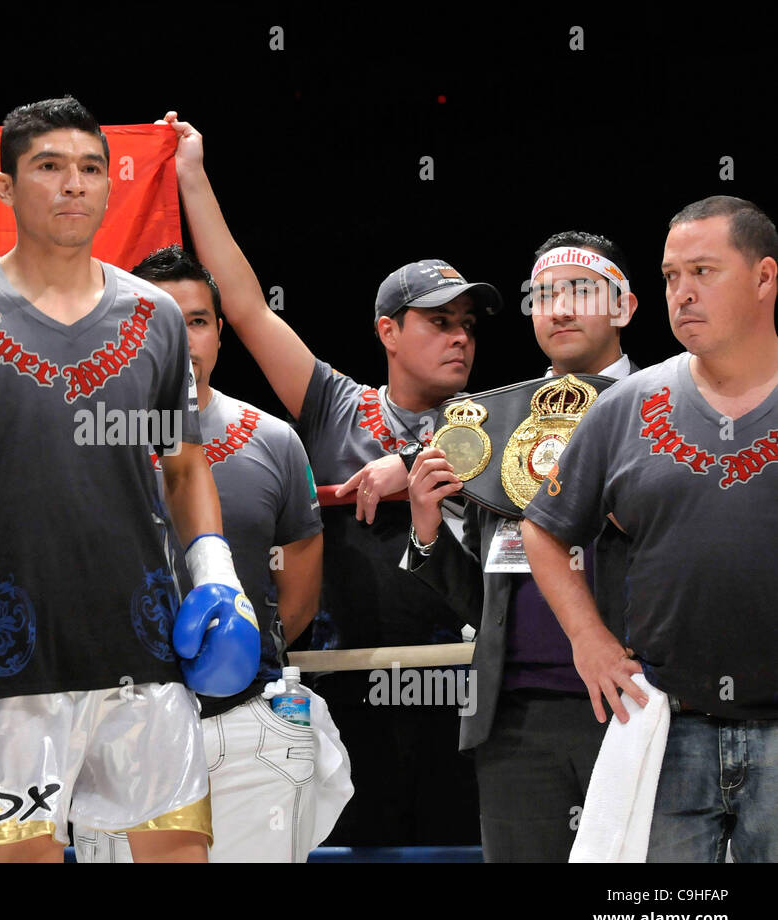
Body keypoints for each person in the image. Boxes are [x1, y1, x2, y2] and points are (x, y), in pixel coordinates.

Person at [0, 96, 261, 863]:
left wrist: (220, 580)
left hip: (147, 646)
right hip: (12, 654)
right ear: (7, 188)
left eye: (90, 168)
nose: (73, 184)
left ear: (108, 186)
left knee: (181, 855)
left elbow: (183, 464)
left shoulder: (154, 318)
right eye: (49, 167)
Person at [163, 111, 497, 846]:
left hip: (465, 687)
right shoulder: (331, 405)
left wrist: (408, 467)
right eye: (439, 321)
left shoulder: (501, 423)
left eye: (468, 322)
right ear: (387, 330)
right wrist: (192, 173)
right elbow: (245, 307)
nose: (461, 336)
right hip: (349, 690)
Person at [523, 196, 778, 862]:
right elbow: (543, 528)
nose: (683, 293)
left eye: (703, 271)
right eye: (670, 277)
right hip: (670, 727)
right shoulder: (628, 407)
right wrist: (588, 638)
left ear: (764, 278)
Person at [74, 245, 334, 863]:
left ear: (219, 332)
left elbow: (295, 596)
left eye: (195, 320)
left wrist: (231, 658)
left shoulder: (274, 440)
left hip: (248, 725)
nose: (182, 338)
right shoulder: (82, 440)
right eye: (159, 317)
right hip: (118, 726)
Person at [405, 230, 639, 861]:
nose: (558, 308)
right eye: (543, 295)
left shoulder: (668, 407)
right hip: (512, 718)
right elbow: (480, 600)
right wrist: (426, 530)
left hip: (638, 704)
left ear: (625, 307)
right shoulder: (492, 425)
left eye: (580, 291)